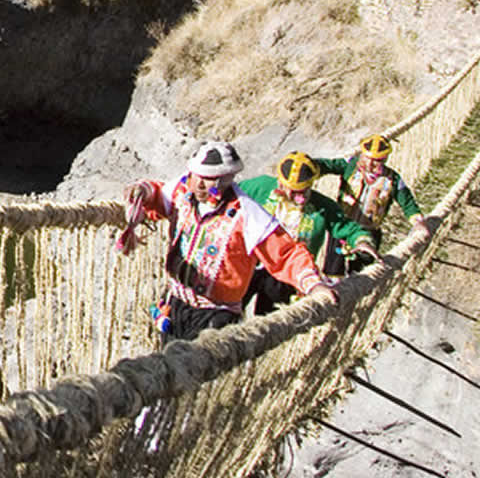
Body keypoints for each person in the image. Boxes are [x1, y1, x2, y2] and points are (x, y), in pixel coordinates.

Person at [118, 141, 337, 341]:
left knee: (195, 375)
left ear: (226, 180)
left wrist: (313, 285)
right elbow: (158, 197)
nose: (200, 185)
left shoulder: (246, 213)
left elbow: (285, 253)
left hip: (214, 315)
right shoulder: (183, 191)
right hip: (175, 301)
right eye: (197, 177)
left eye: (211, 180)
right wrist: (141, 192)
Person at [238, 153, 379, 314]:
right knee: (229, 314)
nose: (301, 198)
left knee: (268, 324)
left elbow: (347, 227)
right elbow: (230, 194)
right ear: (281, 184)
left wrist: (362, 241)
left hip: (289, 274)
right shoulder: (260, 187)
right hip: (249, 265)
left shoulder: (322, 206)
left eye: (305, 191)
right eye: (295, 192)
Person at [314, 135, 431, 264]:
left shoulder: (392, 180)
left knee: (361, 275)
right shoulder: (351, 166)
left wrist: (418, 221)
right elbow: (328, 165)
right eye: (367, 158)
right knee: (333, 272)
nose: (370, 164)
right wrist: (309, 166)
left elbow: (407, 202)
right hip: (343, 228)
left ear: (384, 159)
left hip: (369, 232)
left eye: (376, 160)